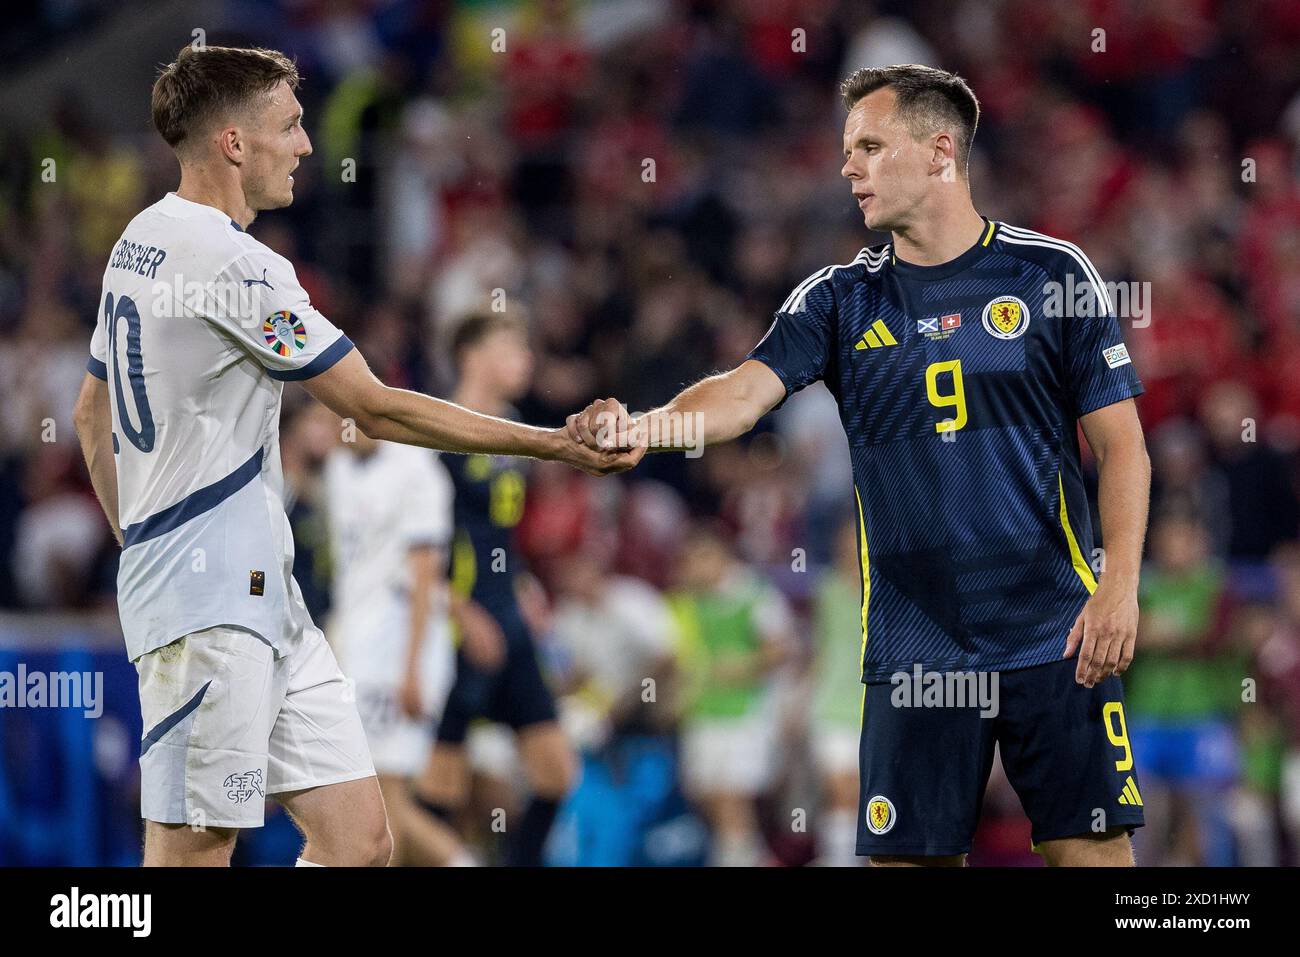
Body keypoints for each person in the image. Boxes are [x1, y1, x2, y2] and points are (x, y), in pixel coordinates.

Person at [569, 63, 1151, 866]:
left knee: (1092, 860)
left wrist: (1119, 584)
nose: (849, 168)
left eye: (871, 146)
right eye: (849, 150)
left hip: (1054, 634)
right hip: (917, 650)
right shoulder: (838, 299)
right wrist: (645, 426)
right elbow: (740, 395)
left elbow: (1123, 445)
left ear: (940, 151)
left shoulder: (1053, 274)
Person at [71, 44, 638, 867]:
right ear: (234, 143)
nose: (307, 145)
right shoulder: (239, 267)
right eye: (291, 126)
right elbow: (373, 404)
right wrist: (552, 442)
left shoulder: (141, 238)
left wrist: (143, 546)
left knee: (361, 840)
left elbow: (92, 416)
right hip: (211, 605)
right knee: (194, 850)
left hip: (268, 599)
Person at [411, 312, 578, 866]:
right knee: (443, 786)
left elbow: (498, 533)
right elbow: (422, 541)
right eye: (512, 348)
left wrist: (524, 587)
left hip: (509, 614)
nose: (526, 360)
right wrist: (460, 611)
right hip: (460, 621)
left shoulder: (514, 429)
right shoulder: (435, 429)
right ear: (471, 356)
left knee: (557, 771)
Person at [321, 408, 461, 866]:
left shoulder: (417, 472)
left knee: (385, 794)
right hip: (359, 647)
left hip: (399, 646)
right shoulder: (338, 469)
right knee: (368, 796)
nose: (327, 431)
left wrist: (412, 669)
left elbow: (426, 578)